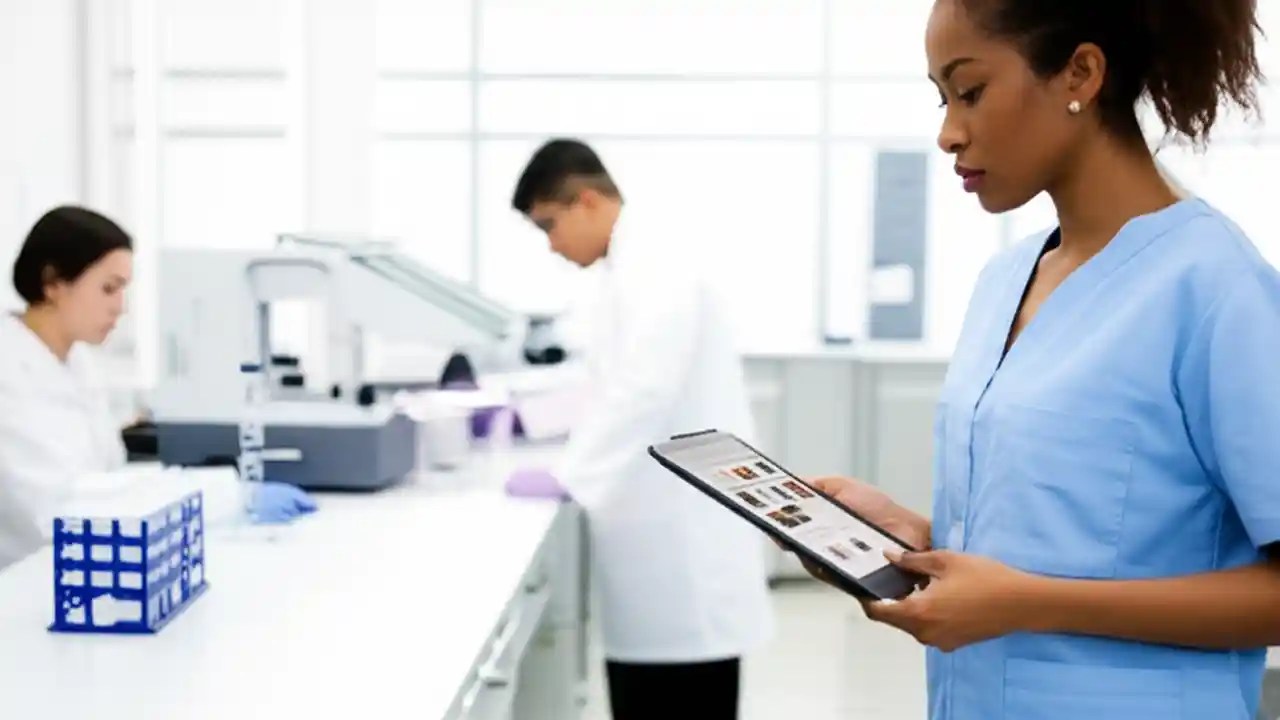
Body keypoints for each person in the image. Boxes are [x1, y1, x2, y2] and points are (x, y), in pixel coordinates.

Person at [802, 1, 1280, 718]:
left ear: (1079, 74)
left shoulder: (1215, 286)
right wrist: (912, 540)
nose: (947, 131)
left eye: (970, 92)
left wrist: (1026, 604)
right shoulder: (1006, 280)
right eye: (941, 98)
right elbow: (1066, 534)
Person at [511, 140, 773, 719]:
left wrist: (570, 475)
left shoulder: (655, 261)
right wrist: (525, 418)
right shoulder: (628, 266)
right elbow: (607, 383)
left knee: (680, 701)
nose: (552, 245)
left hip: (682, 547)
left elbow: (644, 387)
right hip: (655, 545)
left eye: (549, 225)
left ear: (586, 201)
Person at [0, 206, 316, 571]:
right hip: (23, 585)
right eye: (108, 289)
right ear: (53, 283)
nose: (121, 308)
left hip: (82, 569)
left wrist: (218, 494)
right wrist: (226, 499)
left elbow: (110, 481)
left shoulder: (75, 362)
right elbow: (64, 509)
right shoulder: (9, 372)